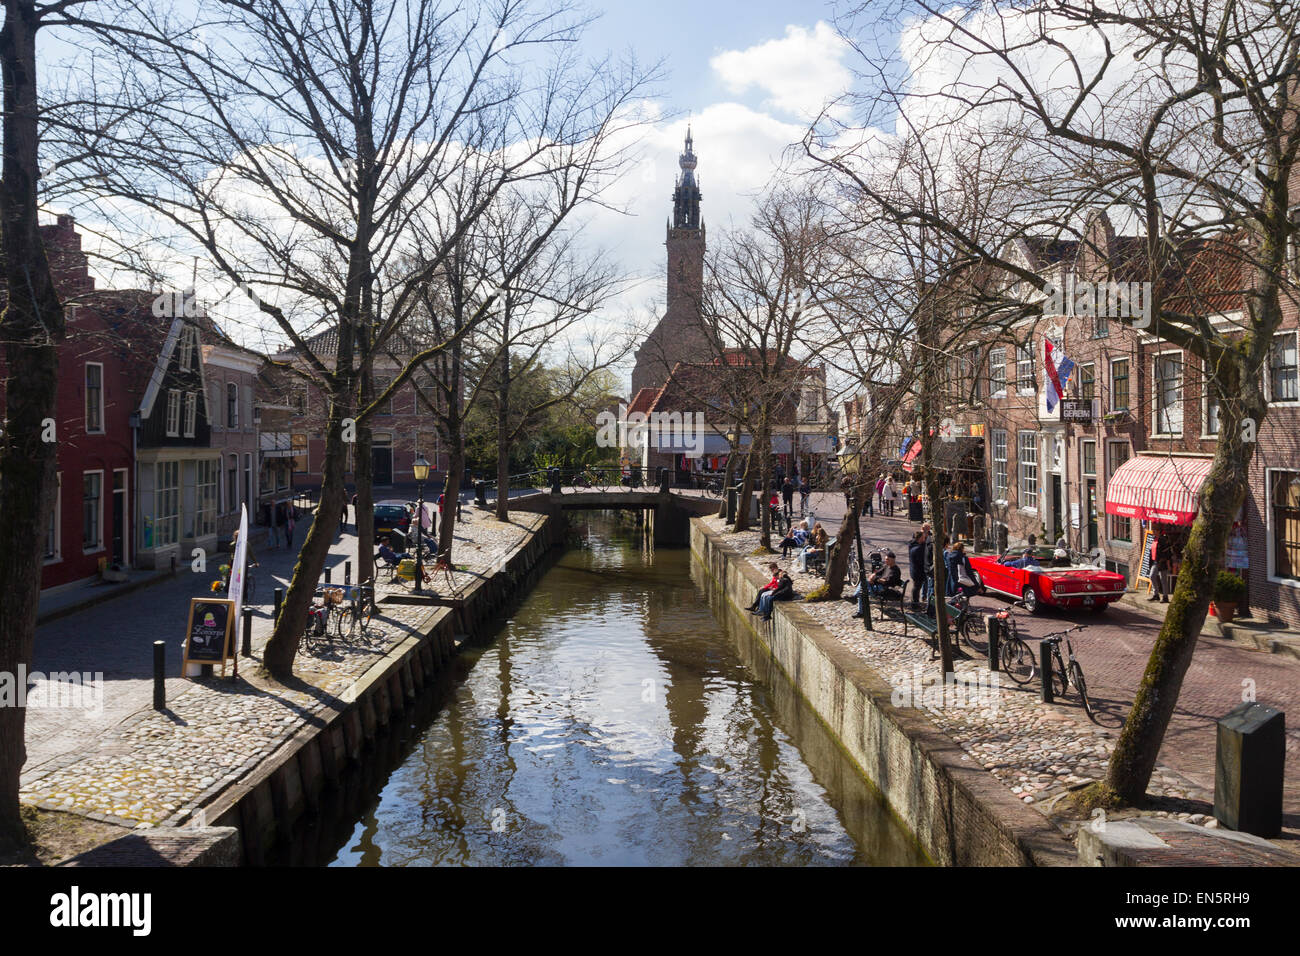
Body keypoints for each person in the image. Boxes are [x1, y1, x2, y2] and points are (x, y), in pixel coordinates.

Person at [907, 530, 927, 609]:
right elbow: (921, 561)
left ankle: (914, 602)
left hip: (914, 570)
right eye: (923, 538)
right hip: (918, 571)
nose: (924, 539)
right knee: (917, 587)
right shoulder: (918, 548)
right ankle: (915, 604)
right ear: (919, 538)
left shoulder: (912, 545)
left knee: (916, 587)